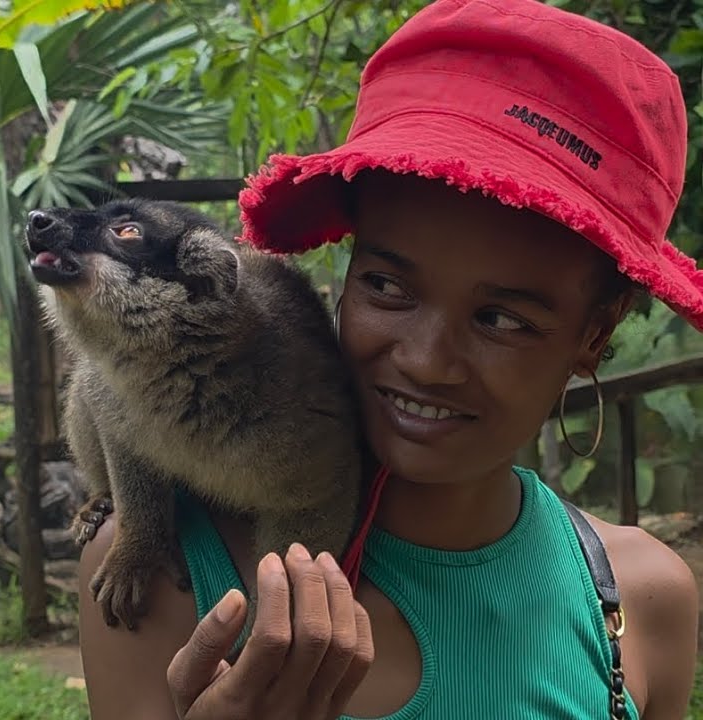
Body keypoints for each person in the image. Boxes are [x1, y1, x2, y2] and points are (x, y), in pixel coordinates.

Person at [75, 0, 703, 718]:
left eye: (502, 319)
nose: (427, 363)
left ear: (595, 334)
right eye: (386, 285)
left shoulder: (641, 598)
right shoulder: (159, 575)